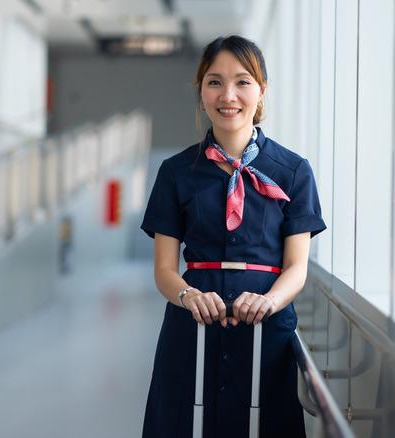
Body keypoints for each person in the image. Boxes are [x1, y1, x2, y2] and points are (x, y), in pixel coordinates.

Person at [140, 35, 326, 438]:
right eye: (214, 81)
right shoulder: (176, 172)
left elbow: (296, 268)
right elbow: (164, 269)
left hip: (266, 328)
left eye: (242, 82)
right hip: (192, 323)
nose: (228, 95)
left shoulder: (294, 171)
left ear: (261, 91)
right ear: (201, 91)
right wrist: (189, 296)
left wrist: (269, 301)